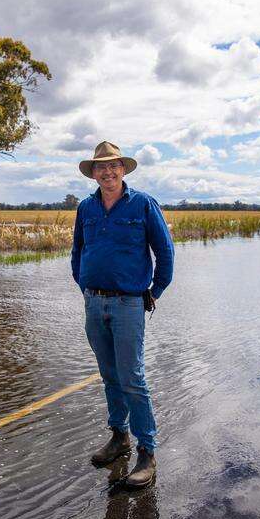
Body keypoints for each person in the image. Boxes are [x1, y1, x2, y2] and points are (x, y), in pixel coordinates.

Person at [71, 140, 174, 488]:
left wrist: (153, 292)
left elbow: (166, 254)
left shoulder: (143, 204)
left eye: (114, 165)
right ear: (94, 173)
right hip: (94, 303)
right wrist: (87, 287)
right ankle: (119, 437)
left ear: (123, 169)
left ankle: (147, 452)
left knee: (132, 377)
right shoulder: (86, 208)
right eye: (101, 167)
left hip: (130, 303)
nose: (108, 171)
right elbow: (77, 252)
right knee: (109, 374)